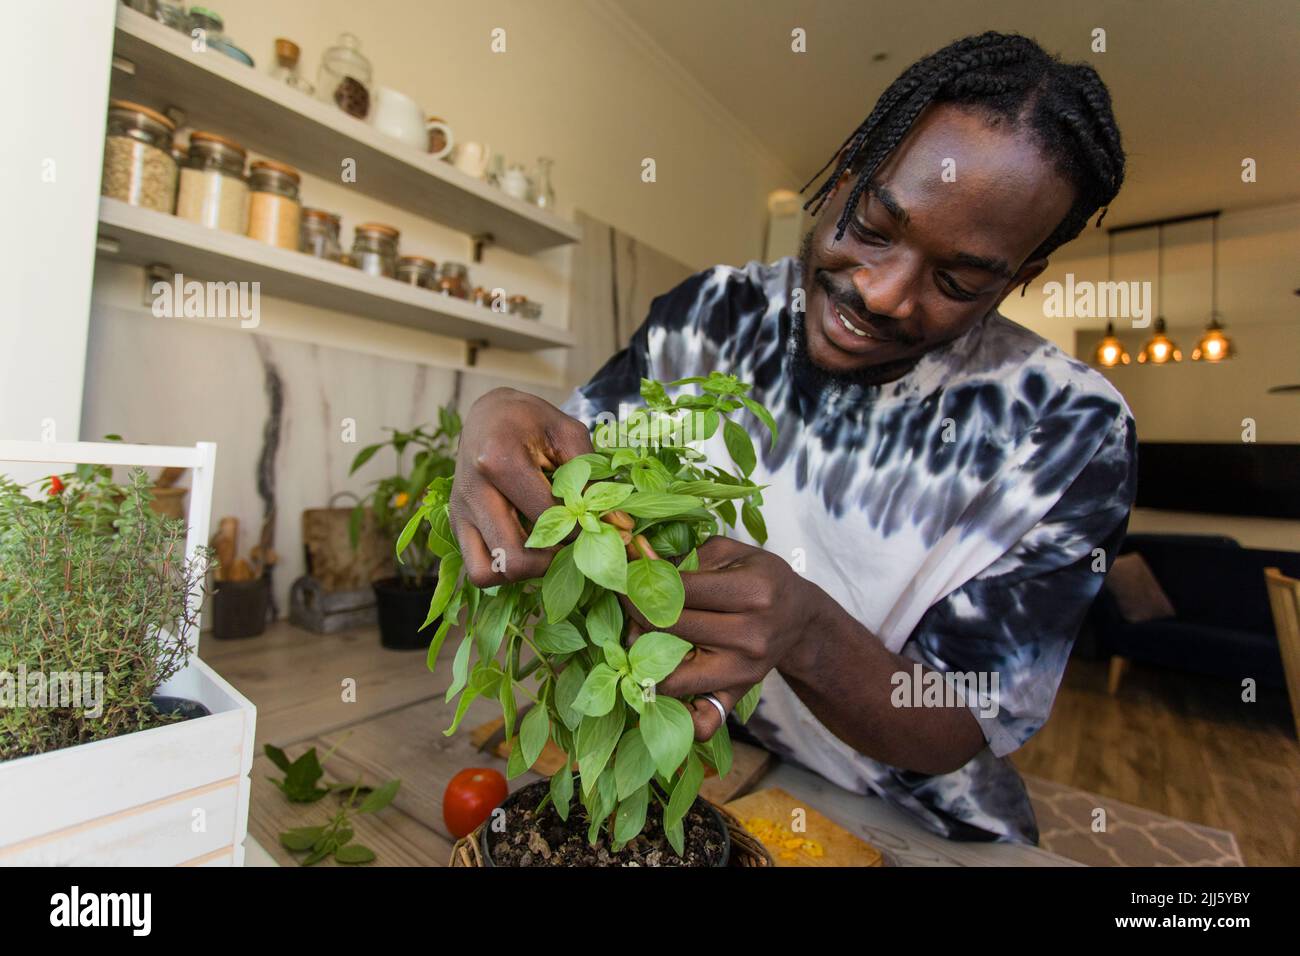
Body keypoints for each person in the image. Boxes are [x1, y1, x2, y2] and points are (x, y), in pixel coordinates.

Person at [448, 31, 1136, 842]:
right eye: (875, 226)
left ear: (1018, 280)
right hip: (698, 759)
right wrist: (498, 420)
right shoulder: (708, 315)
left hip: (906, 815)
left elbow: (960, 725)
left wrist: (806, 632)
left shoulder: (1071, 431)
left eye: (958, 280)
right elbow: (573, 471)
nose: (882, 293)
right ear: (846, 167)